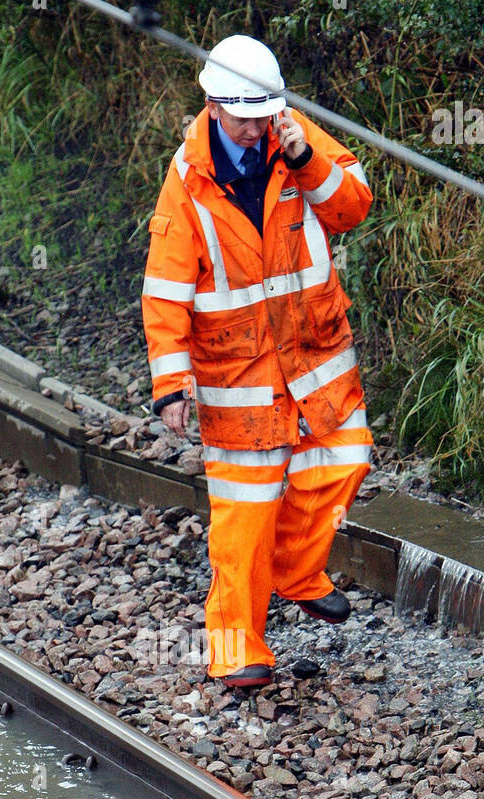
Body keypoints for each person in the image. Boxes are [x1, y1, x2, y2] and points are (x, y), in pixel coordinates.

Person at [142, 34, 374, 688]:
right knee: (243, 513)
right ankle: (235, 647)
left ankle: (297, 571)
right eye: (241, 116)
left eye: (262, 113)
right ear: (212, 105)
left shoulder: (293, 136)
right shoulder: (187, 177)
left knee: (347, 458)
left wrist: (307, 164)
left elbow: (351, 206)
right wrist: (169, 382)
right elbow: (165, 283)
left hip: (314, 355)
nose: (254, 127)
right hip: (237, 373)